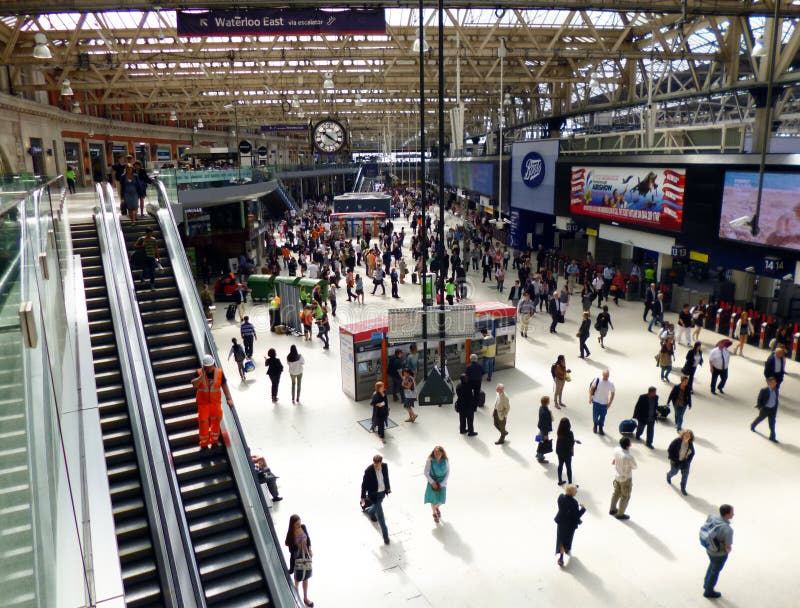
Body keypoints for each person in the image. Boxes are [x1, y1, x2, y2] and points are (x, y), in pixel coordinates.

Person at [191, 354, 234, 449]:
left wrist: (229, 398)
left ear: (213, 364)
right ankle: (204, 443)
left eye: (210, 366)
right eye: (206, 367)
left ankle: (214, 440)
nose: (209, 368)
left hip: (215, 403)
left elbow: (224, 386)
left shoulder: (219, 373)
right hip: (203, 404)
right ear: (204, 366)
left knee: (216, 420)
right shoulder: (198, 373)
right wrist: (201, 377)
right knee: (203, 422)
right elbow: (194, 384)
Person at [702, 504, 734, 599]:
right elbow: (728, 546)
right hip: (719, 554)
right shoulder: (728, 530)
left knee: (712, 566)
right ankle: (708, 591)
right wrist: (728, 551)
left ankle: (706, 584)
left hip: (708, 548)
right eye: (732, 513)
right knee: (715, 571)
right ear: (727, 515)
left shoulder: (711, 516)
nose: (733, 514)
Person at [360, 454, 392, 544]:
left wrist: (388, 488)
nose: (376, 466)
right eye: (375, 464)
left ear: (381, 463)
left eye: (378, 464)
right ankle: (386, 536)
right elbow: (364, 485)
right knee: (381, 516)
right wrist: (362, 496)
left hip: (382, 493)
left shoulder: (385, 466)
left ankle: (370, 511)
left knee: (377, 505)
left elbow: (386, 478)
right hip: (373, 495)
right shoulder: (369, 470)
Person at [285, 515, 314, 607]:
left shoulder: (303, 527)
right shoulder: (290, 534)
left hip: (306, 556)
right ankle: (297, 599)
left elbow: (308, 539)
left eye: (299, 523)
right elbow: (290, 550)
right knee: (297, 579)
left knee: (306, 577)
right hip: (297, 558)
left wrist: (309, 549)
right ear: (292, 525)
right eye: (297, 524)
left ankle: (305, 598)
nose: (299, 525)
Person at [554, 484, 586, 567]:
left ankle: (561, 557)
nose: (576, 492)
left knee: (561, 539)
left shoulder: (561, 497)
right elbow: (576, 515)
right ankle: (566, 549)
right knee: (568, 539)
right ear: (572, 493)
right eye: (575, 491)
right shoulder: (574, 502)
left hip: (561, 522)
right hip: (570, 525)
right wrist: (583, 509)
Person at [609, 436, 637, 520]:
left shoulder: (616, 450)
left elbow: (614, 459)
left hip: (617, 476)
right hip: (626, 478)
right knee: (625, 496)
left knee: (616, 493)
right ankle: (620, 514)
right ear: (629, 445)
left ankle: (612, 509)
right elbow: (635, 466)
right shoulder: (628, 457)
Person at [424, 446, 449, 523]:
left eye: (438, 453)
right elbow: (426, 472)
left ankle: (436, 508)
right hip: (433, 482)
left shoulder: (445, 460)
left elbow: (448, 472)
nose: (436, 454)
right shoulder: (430, 461)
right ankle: (434, 513)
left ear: (442, 453)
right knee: (433, 500)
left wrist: (442, 483)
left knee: (442, 500)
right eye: (435, 452)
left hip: (442, 482)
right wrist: (432, 482)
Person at [750, 376, 780, 443]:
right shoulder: (764, 390)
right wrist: (760, 407)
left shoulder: (776, 390)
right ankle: (753, 425)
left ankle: (772, 437)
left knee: (772, 423)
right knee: (760, 418)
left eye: (775, 382)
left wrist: (775, 407)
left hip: (773, 409)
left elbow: (776, 399)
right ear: (769, 383)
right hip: (765, 409)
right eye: (773, 382)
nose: (775, 383)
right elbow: (759, 399)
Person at [666, 429, 695, 496]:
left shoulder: (690, 444)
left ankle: (683, 488)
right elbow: (670, 450)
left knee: (685, 475)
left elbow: (692, 453)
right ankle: (668, 475)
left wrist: (688, 462)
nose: (687, 436)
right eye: (686, 435)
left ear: (691, 437)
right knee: (674, 472)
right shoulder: (677, 441)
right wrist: (673, 459)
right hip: (675, 461)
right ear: (683, 435)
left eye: (688, 436)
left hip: (685, 463)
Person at [589, 369, 615, 435]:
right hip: (596, 402)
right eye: (605, 375)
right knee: (595, 416)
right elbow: (592, 388)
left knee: (603, 417)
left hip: (604, 404)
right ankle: (595, 425)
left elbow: (612, 393)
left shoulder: (610, 383)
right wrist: (590, 397)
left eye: (607, 375)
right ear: (602, 374)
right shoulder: (597, 380)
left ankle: (600, 427)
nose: (606, 377)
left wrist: (610, 403)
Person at [133, 227, 159, 291]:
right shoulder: (142, 239)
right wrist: (142, 246)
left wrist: (158, 257)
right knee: (145, 270)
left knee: (152, 272)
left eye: (151, 233)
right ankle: (143, 277)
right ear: (146, 233)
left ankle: (152, 286)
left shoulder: (154, 240)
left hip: (152, 257)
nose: (150, 235)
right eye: (148, 233)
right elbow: (135, 246)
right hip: (144, 257)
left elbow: (156, 249)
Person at [555, 417, 578, 485]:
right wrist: (574, 441)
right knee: (568, 467)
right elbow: (570, 443)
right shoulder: (570, 433)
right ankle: (570, 483)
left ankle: (560, 480)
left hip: (559, 451)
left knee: (560, 465)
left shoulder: (559, 432)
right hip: (567, 453)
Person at [536, 396, 553, 463]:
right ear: (546, 402)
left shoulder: (541, 408)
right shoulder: (545, 412)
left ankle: (538, 454)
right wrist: (546, 434)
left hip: (541, 429)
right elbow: (545, 423)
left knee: (540, 441)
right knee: (543, 443)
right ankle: (540, 457)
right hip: (544, 430)